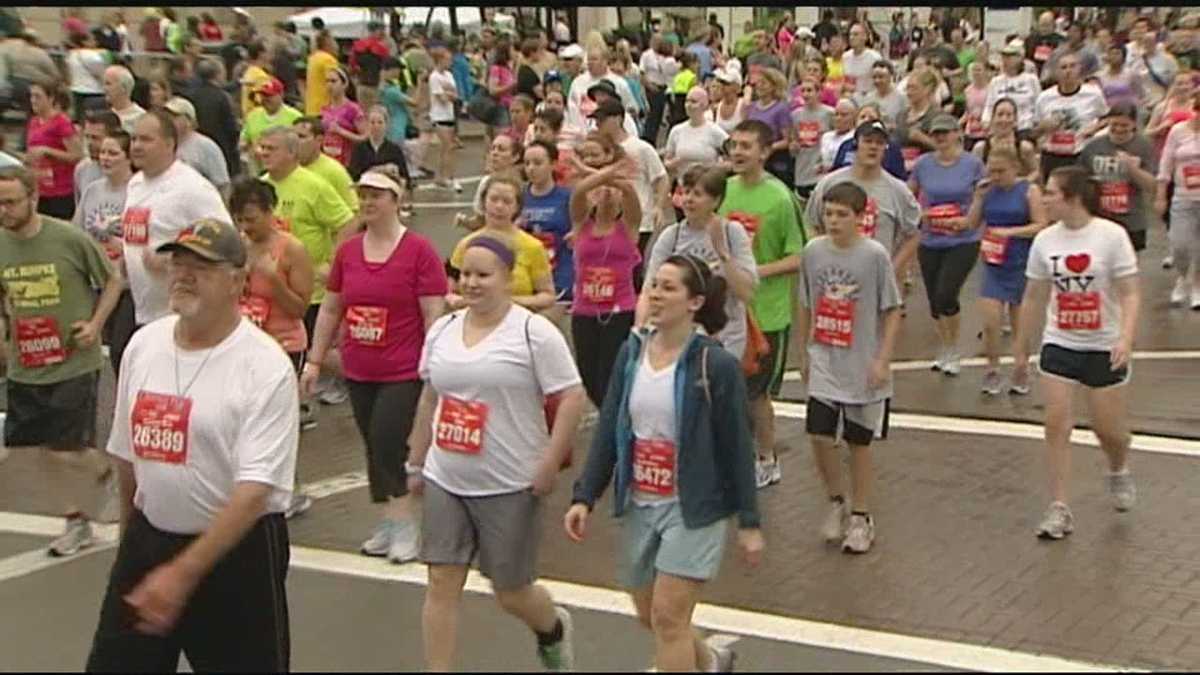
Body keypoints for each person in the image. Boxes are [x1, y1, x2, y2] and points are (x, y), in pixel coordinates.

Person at [85, 218, 297, 671]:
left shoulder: (265, 366)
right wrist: (131, 545)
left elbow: (255, 490)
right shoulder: (144, 346)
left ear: (238, 281)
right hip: (150, 540)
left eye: (200, 266)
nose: (182, 274)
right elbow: (127, 456)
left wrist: (182, 573)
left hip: (236, 555)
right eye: (177, 263)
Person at [564, 251, 762, 672]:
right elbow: (611, 429)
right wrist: (585, 496)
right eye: (654, 285)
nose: (655, 295)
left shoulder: (716, 365)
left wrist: (748, 521)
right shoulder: (631, 354)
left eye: (668, 288)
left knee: (669, 617)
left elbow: (737, 446)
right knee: (648, 612)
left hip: (695, 507)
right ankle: (710, 660)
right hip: (641, 501)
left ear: (694, 302)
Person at [406, 235, 586, 672]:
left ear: (507, 278)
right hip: (446, 476)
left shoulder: (532, 332)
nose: (471, 283)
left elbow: (573, 396)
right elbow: (431, 396)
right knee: (442, 581)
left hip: (509, 481)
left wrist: (549, 460)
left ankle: (552, 628)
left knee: (509, 590)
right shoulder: (444, 330)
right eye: (465, 273)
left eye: (483, 275)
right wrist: (415, 460)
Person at [301, 166, 448, 561]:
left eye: (376, 195)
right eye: (362, 195)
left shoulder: (419, 251)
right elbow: (331, 308)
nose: (367, 202)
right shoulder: (348, 252)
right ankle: (388, 519)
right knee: (372, 445)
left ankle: (404, 524)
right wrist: (315, 360)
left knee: (387, 439)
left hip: (403, 368)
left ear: (396, 202)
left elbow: (433, 313)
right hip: (359, 366)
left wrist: (432, 367)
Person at [1012, 166, 1140, 541]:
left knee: (1109, 429)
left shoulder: (1111, 236)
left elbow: (1130, 292)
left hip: (1103, 344)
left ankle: (1118, 467)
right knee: (1055, 422)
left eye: (1051, 193)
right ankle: (1059, 506)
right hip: (1060, 342)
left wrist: (1126, 339)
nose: (1044, 199)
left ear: (1073, 198)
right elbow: (1034, 296)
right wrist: (1021, 350)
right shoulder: (1045, 241)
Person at [0, 165, 123, 557]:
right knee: (38, 447)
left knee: (62, 446)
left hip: (73, 360)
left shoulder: (68, 238)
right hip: (26, 362)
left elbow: (113, 279)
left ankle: (92, 487)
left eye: (11, 202)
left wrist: (95, 325)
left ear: (34, 198)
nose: (4, 210)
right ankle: (81, 511)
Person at [796, 181, 902, 554]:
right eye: (829, 213)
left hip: (862, 362)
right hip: (825, 356)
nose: (834, 221)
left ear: (860, 218)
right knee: (819, 435)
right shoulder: (812, 252)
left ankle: (861, 514)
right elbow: (806, 303)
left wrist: (883, 359)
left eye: (843, 214)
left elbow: (892, 310)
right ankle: (835, 500)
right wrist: (803, 352)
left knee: (859, 443)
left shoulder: (874, 256)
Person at [719, 120, 803, 488]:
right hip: (726, 311)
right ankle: (733, 455)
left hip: (766, 314)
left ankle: (767, 458)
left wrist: (754, 271)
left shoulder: (781, 198)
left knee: (756, 395)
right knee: (725, 390)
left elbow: (799, 256)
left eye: (746, 146)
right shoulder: (722, 190)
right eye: (733, 145)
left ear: (765, 152)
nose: (737, 152)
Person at [230, 178, 317, 511]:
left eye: (252, 217)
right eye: (240, 219)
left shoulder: (291, 249)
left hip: (284, 343)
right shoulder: (239, 246)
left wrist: (273, 278)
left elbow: (299, 307)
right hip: (246, 340)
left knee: (276, 417)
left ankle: (289, 487)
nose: (246, 226)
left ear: (270, 212)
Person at [256, 125, 355, 377]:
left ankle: (358, 378)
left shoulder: (314, 185)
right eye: (262, 148)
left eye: (271, 149)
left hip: (309, 291)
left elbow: (347, 222)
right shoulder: (259, 187)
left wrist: (333, 265)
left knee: (313, 351)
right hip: (269, 289)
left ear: (291, 152)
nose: (263, 153)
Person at [121, 110, 231, 336]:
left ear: (170, 144)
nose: (137, 146)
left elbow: (226, 241)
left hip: (181, 315)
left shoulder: (192, 187)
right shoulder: (135, 184)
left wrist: (175, 261)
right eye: (134, 139)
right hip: (142, 310)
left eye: (146, 140)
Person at [640, 165, 758, 362]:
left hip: (726, 337)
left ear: (716, 200)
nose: (688, 199)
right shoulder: (671, 236)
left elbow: (746, 293)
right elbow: (649, 289)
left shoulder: (733, 233)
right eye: (685, 192)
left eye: (697, 194)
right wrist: (641, 329)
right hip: (679, 336)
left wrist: (723, 253)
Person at [567, 134, 642, 408]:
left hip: (619, 310)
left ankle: (613, 422)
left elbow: (631, 193)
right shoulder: (580, 224)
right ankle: (608, 415)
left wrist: (603, 176)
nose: (607, 194)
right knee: (588, 377)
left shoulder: (629, 226)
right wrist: (599, 175)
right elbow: (579, 192)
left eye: (614, 193)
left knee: (611, 374)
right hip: (584, 310)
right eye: (600, 192)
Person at [965, 147, 1047, 395]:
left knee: (1019, 321)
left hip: (1021, 261)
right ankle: (992, 369)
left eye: (1001, 171)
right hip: (993, 262)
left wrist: (1010, 232)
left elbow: (1041, 224)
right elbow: (971, 223)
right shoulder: (988, 191)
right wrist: (978, 199)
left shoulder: (1029, 191)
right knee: (991, 322)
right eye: (992, 171)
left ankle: (1021, 367)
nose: (996, 176)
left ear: (1015, 168)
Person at [908, 113, 986, 375]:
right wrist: (921, 214)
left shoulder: (972, 164)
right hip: (931, 238)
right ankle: (945, 346)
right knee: (934, 300)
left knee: (946, 293)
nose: (940, 138)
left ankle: (953, 350)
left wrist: (968, 219)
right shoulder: (923, 164)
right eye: (936, 134)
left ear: (957, 134)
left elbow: (981, 194)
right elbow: (911, 195)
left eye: (945, 132)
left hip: (963, 238)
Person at [806, 120, 921, 295]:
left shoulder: (898, 191)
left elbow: (913, 235)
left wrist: (893, 268)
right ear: (856, 145)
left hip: (875, 280)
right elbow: (812, 224)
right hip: (833, 278)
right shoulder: (830, 183)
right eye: (868, 141)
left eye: (879, 143)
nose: (873, 147)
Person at [1079, 102, 1159, 254]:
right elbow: (1081, 180)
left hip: (1131, 218)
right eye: (1114, 124)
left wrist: (1132, 169)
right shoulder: (1093, 147)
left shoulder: (1143, 146)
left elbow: (1152, 186)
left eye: (1124, 125)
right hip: (1099, 216)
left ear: (1134, 124)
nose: (1119, 129)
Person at [1155, 90, 1200, 309]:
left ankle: (1197, 286)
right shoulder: (1178, 132)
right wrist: (1160, 195)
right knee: (1180, 245)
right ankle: (1183, 276)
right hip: (1182, 195)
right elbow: (1165, 164)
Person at [1034, 53, 1109, 180]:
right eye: (1063, 68)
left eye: (1072, 66)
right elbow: (1034, 132)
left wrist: (1093, 129)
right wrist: (1043, 127)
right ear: (1056, 72)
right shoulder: (1044, 97)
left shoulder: (1093, 93)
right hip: (1053, 154)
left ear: (1079, 70)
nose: (1068, 71)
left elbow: (1106, 119)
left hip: (1081, 153)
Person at [521, 140, 574, 312]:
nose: (531, 168)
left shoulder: (568, 197)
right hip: (527, 275)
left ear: (553, 164)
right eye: (527, 163)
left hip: (560, 275)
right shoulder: (518, 196)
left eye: (537, 163)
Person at [24, 80, 81, 221]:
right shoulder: (34, 122)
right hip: (40, 189)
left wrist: (48, 151)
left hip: (60, 190)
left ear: (51, 99)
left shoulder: (61, 122)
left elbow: (77, 155)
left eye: (38, 97)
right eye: (31, 96)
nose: (33, 101)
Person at [663, 87, 728, 203]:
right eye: (687, 101)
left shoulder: (714, 131)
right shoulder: (676, 130)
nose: (688, 105)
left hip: (707, 191)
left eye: (693, 102)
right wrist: (673, 163)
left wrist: (715, 167)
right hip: (682, 190)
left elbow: (732, 158)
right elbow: (667, 163)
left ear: (704, 105)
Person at [163, 97, 231, 199]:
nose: (169, 120)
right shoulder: (162, 146)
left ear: (189, 120)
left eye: (174, 116)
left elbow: (222, 184)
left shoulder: (206, 146)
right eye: (166, 117)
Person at [293, 117, 361, 214]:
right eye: (292, 137)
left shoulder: (334, 171)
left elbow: (354, 210)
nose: (295, 142)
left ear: (319, 140)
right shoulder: (284, 169)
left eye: (301, 136)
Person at [188, 59, 241, 177]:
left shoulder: (191, 95)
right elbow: (230, 127)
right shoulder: (222, 97)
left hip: (196, 150)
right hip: (221, 149)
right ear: (218, 75)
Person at [239, 78, 303, 176]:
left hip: (285, 171)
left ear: (281, 95)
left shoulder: (295, 117)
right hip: (257, 170)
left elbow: (300, 147)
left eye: (269, 95)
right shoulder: (253, 115)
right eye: (263, 95)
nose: (265, 99)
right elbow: (243, 141)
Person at [745, 68, 794, 186]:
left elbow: (786, 140)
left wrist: (768, 148)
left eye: (764, 83)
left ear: (773, 87)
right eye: (758, 83)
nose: (759, 86)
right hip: (754, 158)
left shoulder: (781, 108)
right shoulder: (751, 107)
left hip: (774, 161)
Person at [791, 78, 834, 199]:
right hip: (802, 171)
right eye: (803, 91)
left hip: (821, 172)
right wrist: (793, 146)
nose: (805, 94)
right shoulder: (796, 115)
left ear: (819, 92)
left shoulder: (829, 113)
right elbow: (793, 144)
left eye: (809, 90)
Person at [428, 44, 462, 193]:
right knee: (447, 146)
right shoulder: (434, 77)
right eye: (447, 59)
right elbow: (442, 98)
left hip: (449, 114)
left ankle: (441, 176)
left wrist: (449, 94)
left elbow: (454, 94)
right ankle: (447, 176)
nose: (450, 62)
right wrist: (449, 94)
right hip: (438, 115)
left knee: (447, 148)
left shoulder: (449, 75)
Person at [349, 105, 410, 188]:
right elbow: (353, 176)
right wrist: (382, 169)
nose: (376, 126)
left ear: (387, 125)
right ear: (367, 124)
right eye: (372, 122)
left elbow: (405, 178)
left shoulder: (395, 150)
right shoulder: (359, 149)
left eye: (380, 122)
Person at [895, 68, 940, 175]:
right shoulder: (901, 115)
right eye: (908, 88)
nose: (909, 93)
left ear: (927, 89)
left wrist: (923, 138)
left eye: (913, 88)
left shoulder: (937, 116)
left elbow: (947, 149)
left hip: (927, 170)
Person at [319, 68, 366, 168]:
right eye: (327, 81)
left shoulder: (353, 109)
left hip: (346, 162)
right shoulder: (325, 108)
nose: (329, 85)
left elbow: (365, 137)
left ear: (344, 85)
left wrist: (341, 131)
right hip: (327, 159)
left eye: (333, 81)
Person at [858, 60, 904, 131]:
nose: (877, 80)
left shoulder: (901, 98)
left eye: (881, 77)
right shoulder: (868, 98)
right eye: (874, 77)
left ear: (891, 77)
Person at [305, 30, 339, 117]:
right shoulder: (328, 60)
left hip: (311, 107)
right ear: (327, 43)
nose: (336, 45)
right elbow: (333, 83)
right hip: (324, 107)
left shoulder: (313, 58)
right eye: (334, 41)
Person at [709, 67, 746, 135]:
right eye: (722, 82)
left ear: (737, 87)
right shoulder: (716, 108)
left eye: (726, 83)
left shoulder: (743, 106)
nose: (722, 86)